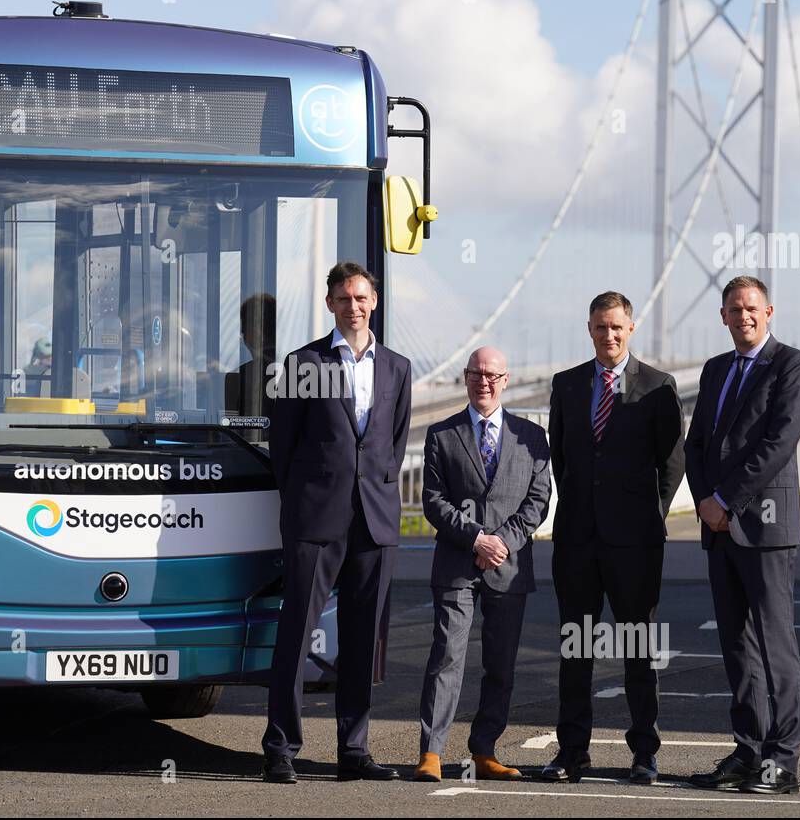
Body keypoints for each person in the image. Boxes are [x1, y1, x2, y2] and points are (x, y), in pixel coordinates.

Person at [261, 261, 412, 784]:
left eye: (362, 298)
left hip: (375, 521)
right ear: (330, 304)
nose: (354, 306)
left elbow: (390, 443)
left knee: (362, 637)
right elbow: (284, 447)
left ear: (375, 302)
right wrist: (305, 501)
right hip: (315, 518)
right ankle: (281, 748)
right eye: (344, 298)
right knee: (297, 632)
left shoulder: (397, 366)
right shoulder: (302, 364)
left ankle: (354, 751)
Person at [539, 291, 685, 785]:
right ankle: (571, 752)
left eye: (617, 327)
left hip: (636, 543)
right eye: (601, 327)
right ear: (589, 328)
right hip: (577, 539)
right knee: (576, 649)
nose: (609, 335)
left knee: (637, 650)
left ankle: (644, 752)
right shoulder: (567, 385)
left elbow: (672, 462)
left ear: (631, 327)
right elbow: (561, 453)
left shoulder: (658, 387)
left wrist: (650, 515)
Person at [684, 275, 800, 795]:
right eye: (734, 309)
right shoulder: (716, 369)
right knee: (737, 648)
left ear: (769, 312)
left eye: (752, 308)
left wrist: (726, 499)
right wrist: (704, 501)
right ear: (723, 316)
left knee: (775, 647)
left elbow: (779, 441)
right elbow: (696, 444)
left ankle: (782, 762)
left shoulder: (793, 365)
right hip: (719, 526)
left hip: (766, 527)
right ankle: (748, 752)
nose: (744, 316)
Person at [414, 347, 551, 782]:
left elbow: (538, 500)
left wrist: (501, 544)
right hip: (456, 562)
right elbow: (433, 501)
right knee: (446, 658)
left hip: (508, 568)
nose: (484, 382)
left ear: (506, 380)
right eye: (476, 374)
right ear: (466, 378)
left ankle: (485, 751)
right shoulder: (441, 433)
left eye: (492, 375)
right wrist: (476, 537)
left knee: (501, 665)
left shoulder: (532, 437)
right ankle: (431, 753)